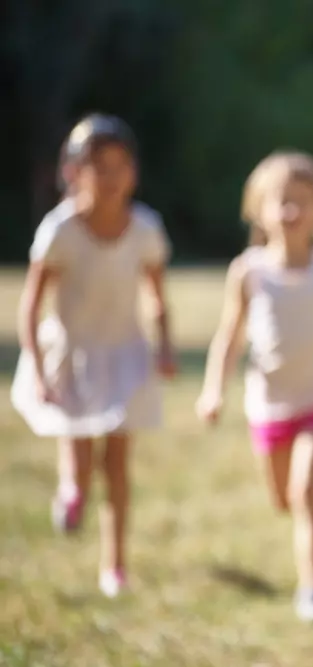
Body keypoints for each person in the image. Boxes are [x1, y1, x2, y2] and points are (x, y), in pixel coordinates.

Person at [196, 151, 313, 622]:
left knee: (303, 494)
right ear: (259, 210)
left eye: (302, 201)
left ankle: (312, 589)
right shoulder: (250, 271)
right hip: (269, 404)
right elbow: (229, 336)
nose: (291, 212)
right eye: (281, 202)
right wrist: (213, 390)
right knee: (283, 498)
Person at [11, 113, 175, 598]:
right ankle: (71, 490)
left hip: (123, 355)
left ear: (134, 172)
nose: (110, 176)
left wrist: (164, 345)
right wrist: (39, 371)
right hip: (72, 357)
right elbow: (30, 305)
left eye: (120, 165)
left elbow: (157, 296)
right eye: (98, 165)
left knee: (118, 465)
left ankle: (115, 564)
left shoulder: (145, 228)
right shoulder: (59, 230)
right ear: (74, 172)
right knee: (80, 459)